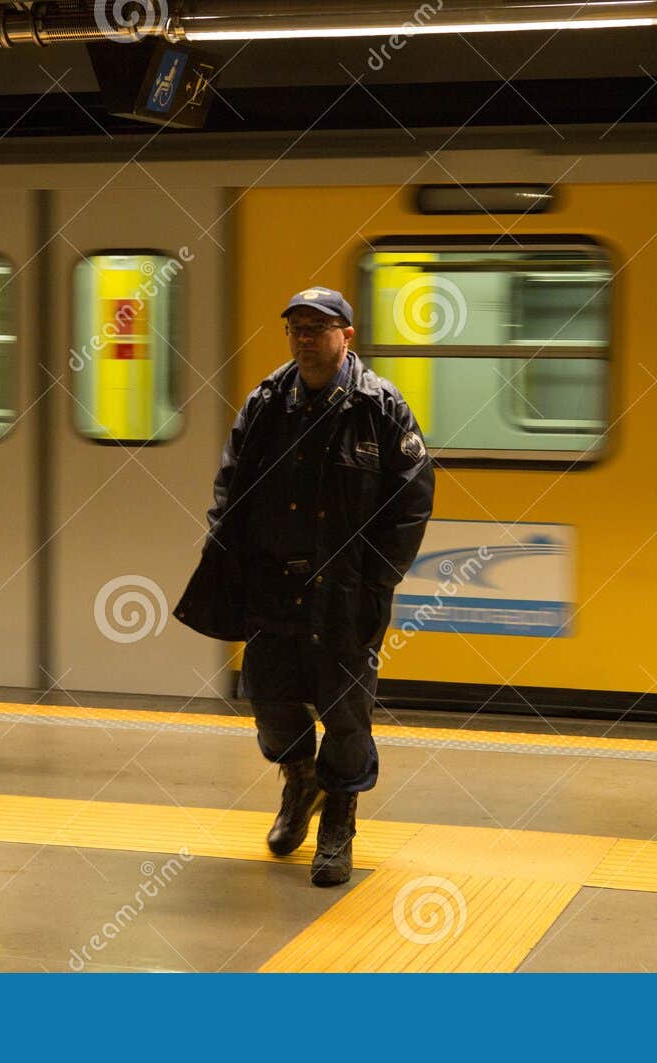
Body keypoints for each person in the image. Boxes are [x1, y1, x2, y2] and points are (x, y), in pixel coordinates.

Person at [175, 287, 434, 886]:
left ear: (347, 336)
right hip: (273, 585)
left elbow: (412, 501)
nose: (305, 339)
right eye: (296, 328)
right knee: (268, 698)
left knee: (345, 715)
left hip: (344, 591)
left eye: (318, 328)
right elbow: (231, 483)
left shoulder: (381, 407)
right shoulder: (268, 402)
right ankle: (300, 780)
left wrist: (377, 578)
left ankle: (338, 820)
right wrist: (228, 551)